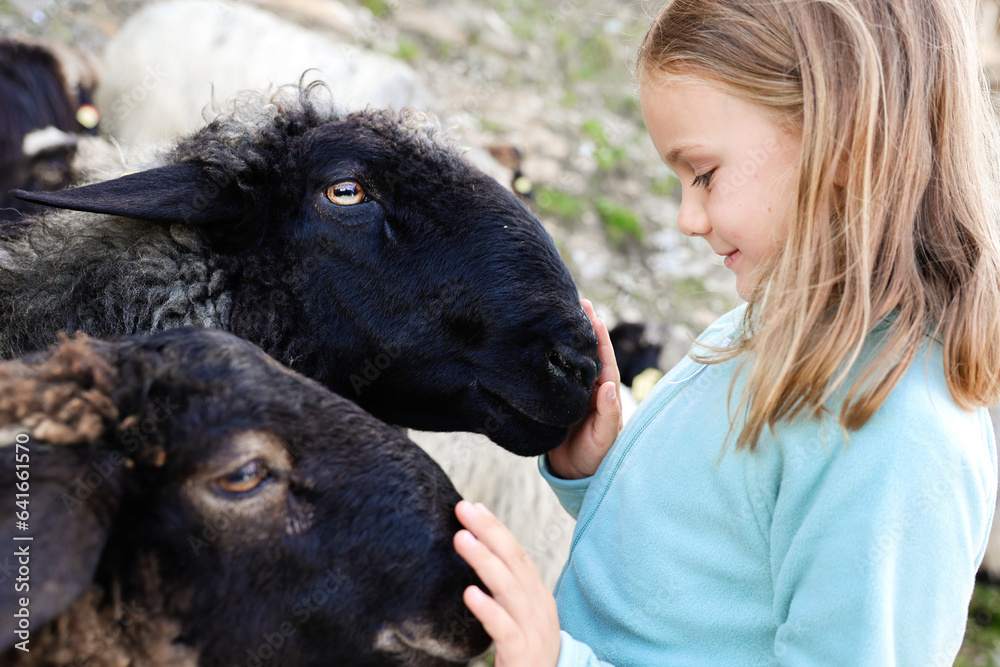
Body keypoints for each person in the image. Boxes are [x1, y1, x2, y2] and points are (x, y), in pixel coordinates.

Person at [454, 0, 1000, 664]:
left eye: (704, 174)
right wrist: (600, 472)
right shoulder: (773, 322)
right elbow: (710, 583)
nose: (687, 216)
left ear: (844, 140)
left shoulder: (896, 434)